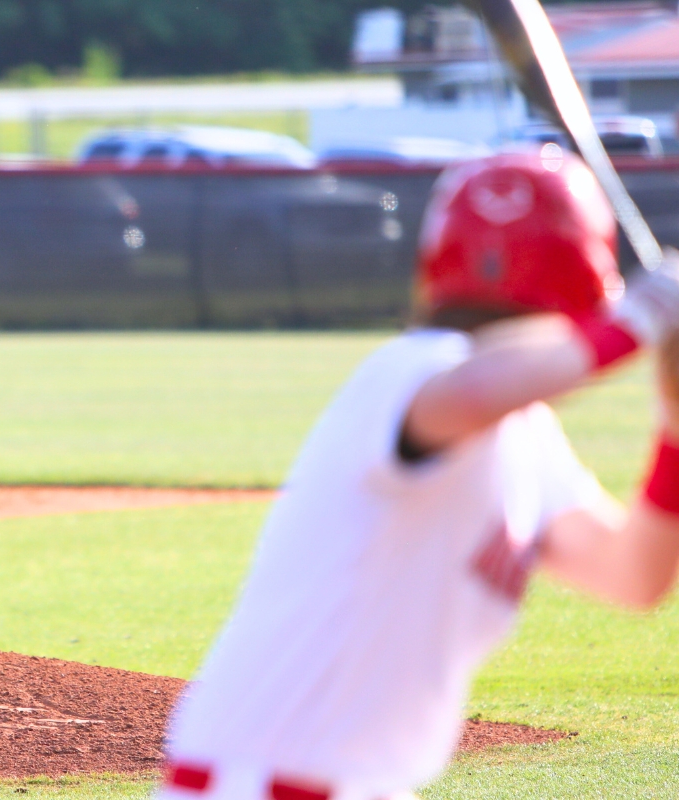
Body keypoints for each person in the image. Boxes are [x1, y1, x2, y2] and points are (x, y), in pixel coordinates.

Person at [156, 150, 679, 800]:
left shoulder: (526, 435)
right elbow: (473, 391)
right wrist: (642, 317)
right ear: (587, 276)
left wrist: (674, 418)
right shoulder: (412, 371)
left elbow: (633, 576)